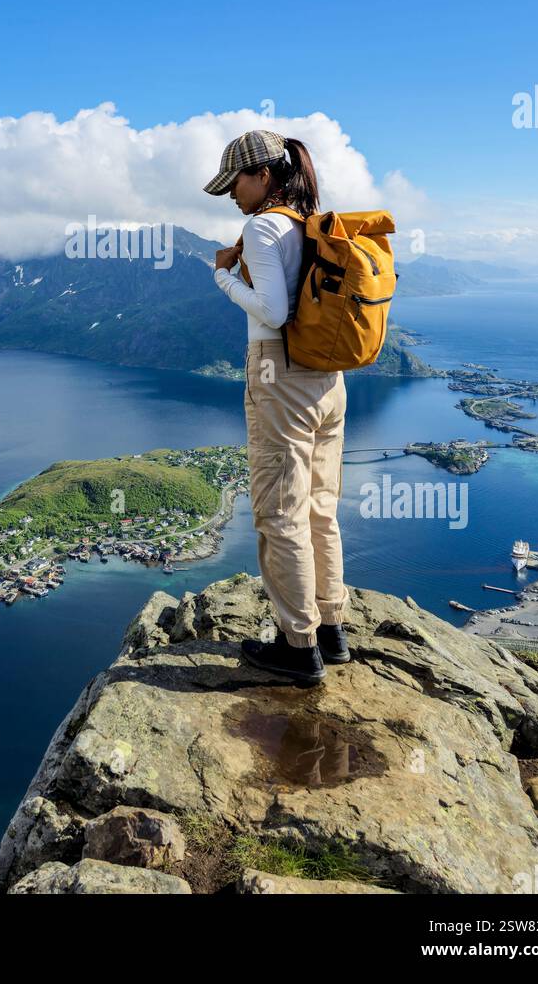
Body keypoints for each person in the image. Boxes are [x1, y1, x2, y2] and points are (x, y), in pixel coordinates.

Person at [204, 129, 350, 686]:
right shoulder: (310, 224)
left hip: (278, 374)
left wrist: (222, 277)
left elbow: (272, 307)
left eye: (235, 185)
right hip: (328, 379)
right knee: (319, 506)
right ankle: (331, 630)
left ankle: (298, 648)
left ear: (263, 175)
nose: (231, 197)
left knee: (278, 512)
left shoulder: (262, 226)